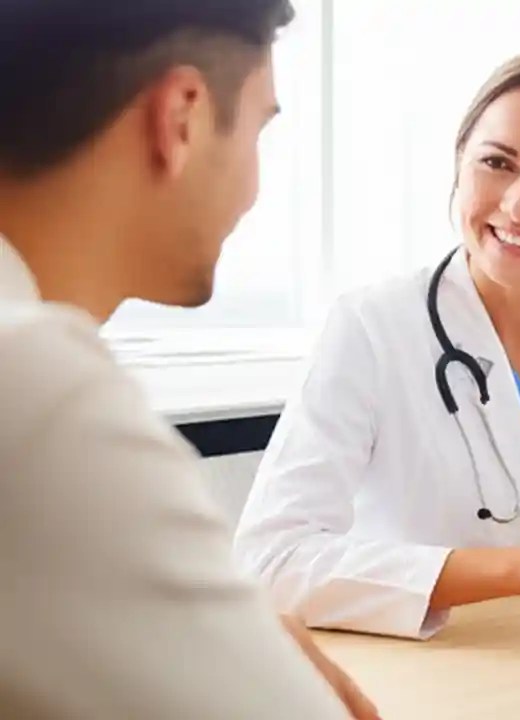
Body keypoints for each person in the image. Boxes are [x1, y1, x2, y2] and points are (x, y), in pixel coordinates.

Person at [0, 2, 377, 718]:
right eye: (262, 126)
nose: (254, 188)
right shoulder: (38, 387)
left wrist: (193, 629)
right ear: (182, 118)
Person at [233, 44, 520, 640]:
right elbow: (270, 562)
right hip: (424, 672)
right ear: (459, 167)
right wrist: (516, 567)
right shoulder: (372, 326)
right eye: (497, 163)